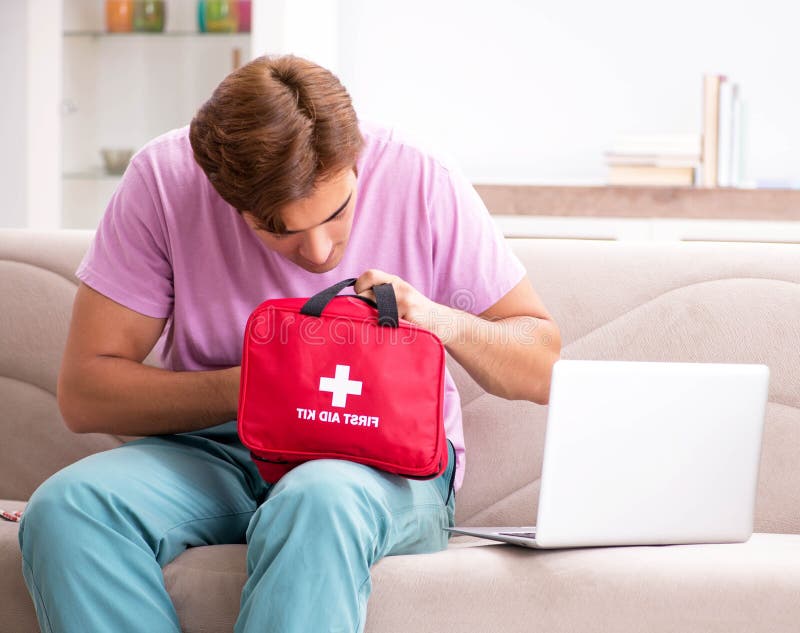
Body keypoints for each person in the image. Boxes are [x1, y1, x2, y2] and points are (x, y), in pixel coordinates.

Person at [18, 54, 561, 633]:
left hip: (381, 466)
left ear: (357, 157)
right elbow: (87, 394)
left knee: (317, 498)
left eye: (338, 212)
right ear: (225, 197)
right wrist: (270, 385)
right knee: (69, 508)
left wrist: (438, 320)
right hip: (216, 454)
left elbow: (542, 363)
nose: (320, 253)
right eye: (278, 230)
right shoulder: (165, 180)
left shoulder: (422, 177)